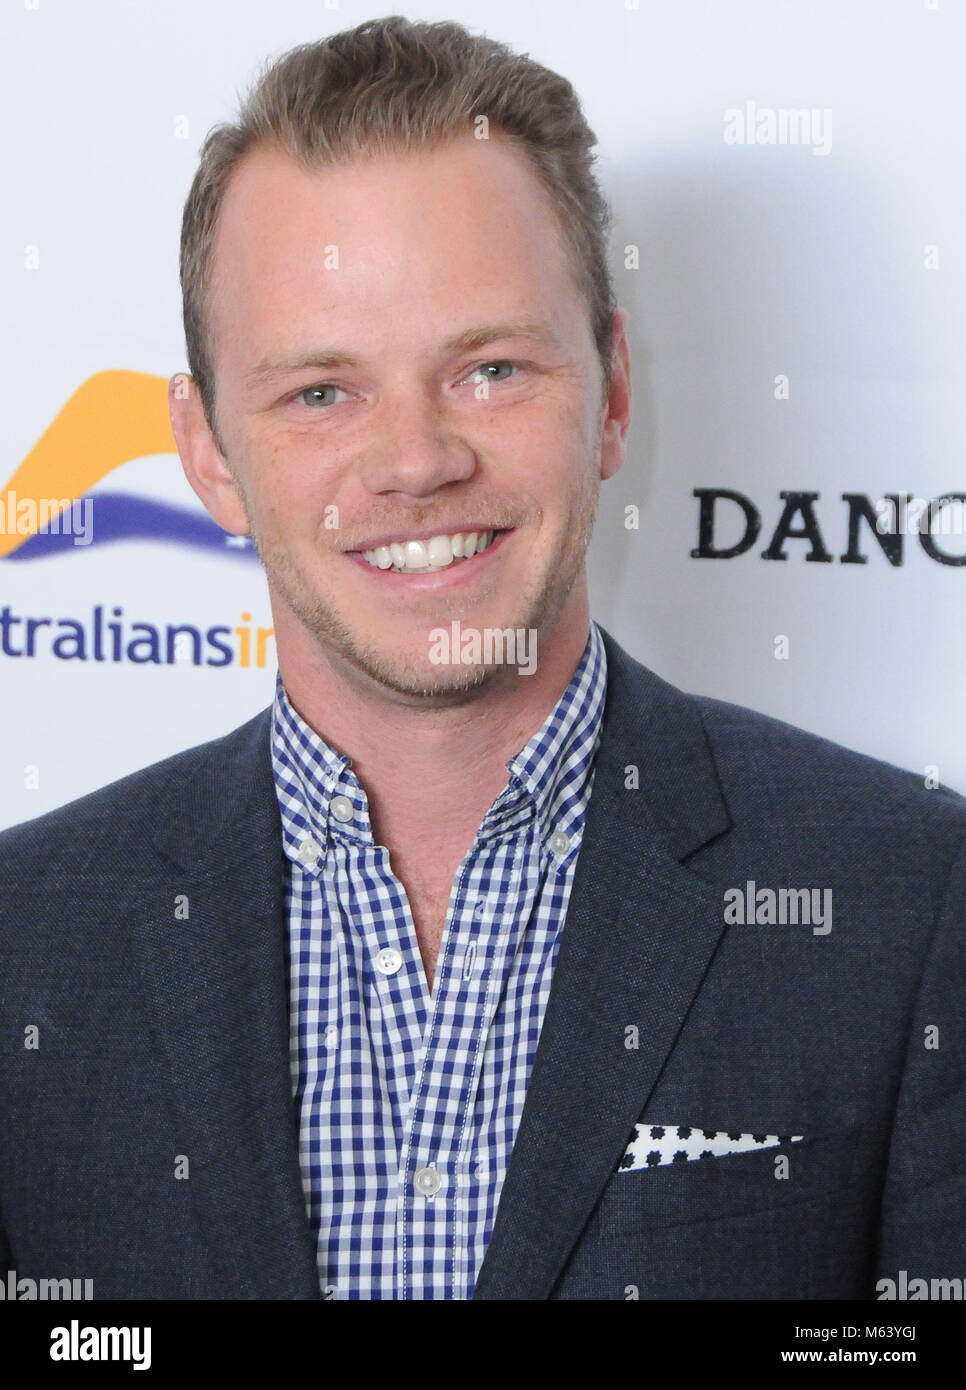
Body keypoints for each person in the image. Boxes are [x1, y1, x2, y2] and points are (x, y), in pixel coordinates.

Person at [1, 15, 963, 1302]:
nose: (415, 460)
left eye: (492, 368)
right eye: (320, 392)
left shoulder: (911, 906)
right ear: (209, 454)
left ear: (613, 390)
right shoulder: (25, 945)